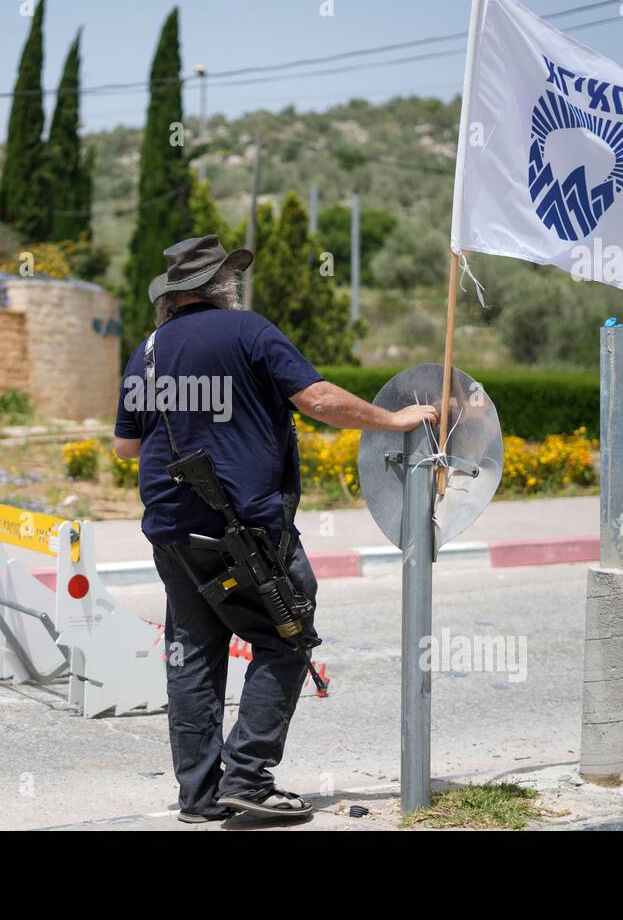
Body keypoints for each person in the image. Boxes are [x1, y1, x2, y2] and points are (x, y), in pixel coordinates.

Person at [113, 235, 438, 823]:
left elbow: (124, 446)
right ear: (222, 286)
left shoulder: (149, 350)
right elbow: (317, 399)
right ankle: (248, 778)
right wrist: (393, 419)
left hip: (172, 532)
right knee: (287, 637)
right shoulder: (248, 331)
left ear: (173, 296)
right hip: (246, 529)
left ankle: (199, 796)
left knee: (192, 656)